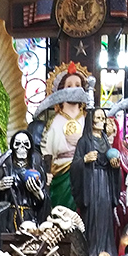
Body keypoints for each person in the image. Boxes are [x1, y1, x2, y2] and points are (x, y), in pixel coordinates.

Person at [70, 107, 120, 256]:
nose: (100, 121)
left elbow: (113, 164)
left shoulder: (106, 140)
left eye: (103, 118)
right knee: (91, 218)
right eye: (97, 118)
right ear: (90, 120)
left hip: (105, 182)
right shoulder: (84, 141)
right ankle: (91, 254)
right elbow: (74, 166)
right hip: (90, 183)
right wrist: (84, 160)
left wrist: (115, 166)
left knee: (105, 217)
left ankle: (106, 252)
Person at [41, 61, 89, 210]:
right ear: (61, 90)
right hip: (60, 173)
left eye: (77, 85)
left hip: (83, 171)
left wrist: (81, 143)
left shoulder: (88, 119)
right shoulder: (54, 121)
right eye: (69, 86)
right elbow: (46, 150)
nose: (73, 89)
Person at [0, 130, 50, 232]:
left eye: (25, 144)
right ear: (13, 147)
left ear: (30, 147)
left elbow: (46, 200)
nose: (21, 147)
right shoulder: (5, 169)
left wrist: (39, 194)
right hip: (8, 219)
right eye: (17, 144)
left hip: (29, 219)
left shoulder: (37, 171)